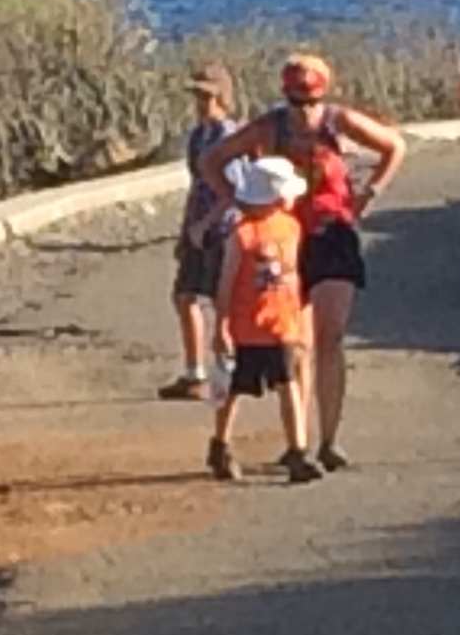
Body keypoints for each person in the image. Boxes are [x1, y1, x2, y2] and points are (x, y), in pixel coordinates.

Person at [198, 54, 408, 472]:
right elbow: (212, 161)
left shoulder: (338, 122)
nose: (304, 111)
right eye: (296, 101)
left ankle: (329, 438)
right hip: (285, 238)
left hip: (333, 234)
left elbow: (394, 147)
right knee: (296, 343)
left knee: (329, 335)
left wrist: (369, 193)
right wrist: (236, 201)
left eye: (311, 101)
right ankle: (300, 441)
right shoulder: (268, 127)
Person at [207, 155, 324, 484]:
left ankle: (298, 451)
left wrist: (300, 318)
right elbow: (227, 283)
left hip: (282, 326)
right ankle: (221, 444)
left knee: (288, 384)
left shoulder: (291, 226)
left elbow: (292, 276)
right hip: (248, 329)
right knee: (234, 389)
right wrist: (222, 326)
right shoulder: (243, 234)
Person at [159, 63, 243, 400]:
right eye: (197, 95)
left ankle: (229, 371)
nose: (199, 102)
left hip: (223, 228)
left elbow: (233, 191)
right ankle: (195, 371)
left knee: (223, 303)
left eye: (206, 95)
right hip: (198, 226)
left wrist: (207, 224)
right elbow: (197, 186)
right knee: (185, 295)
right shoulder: (198, 137)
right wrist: (187, 229)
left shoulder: (230, 137)